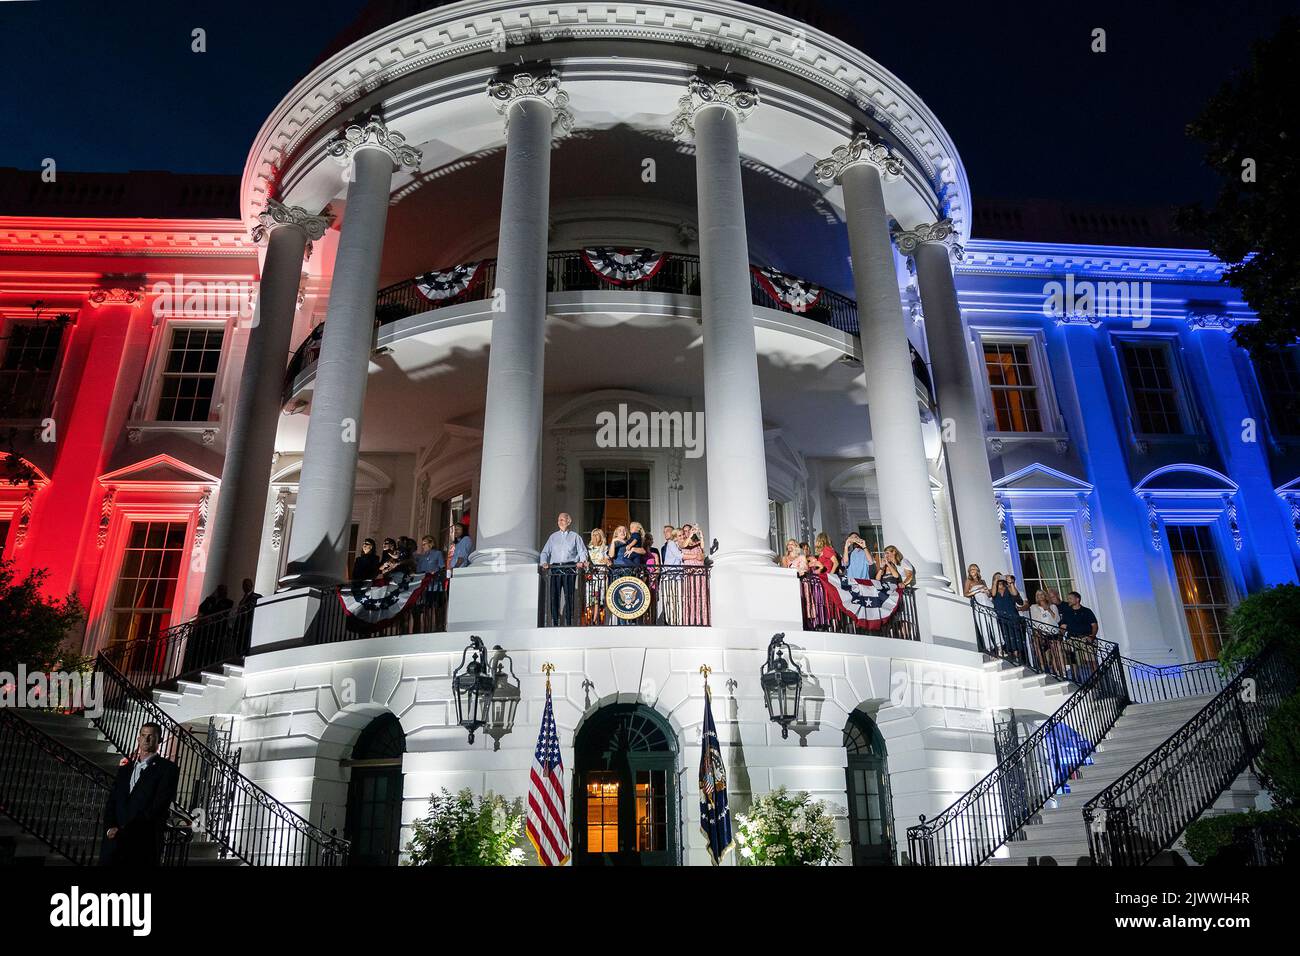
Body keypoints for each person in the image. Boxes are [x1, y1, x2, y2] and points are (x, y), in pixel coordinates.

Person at [101, 722, 180, 867]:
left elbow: (158, 805)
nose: (147, 739)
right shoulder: (126, 768)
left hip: (142, 842)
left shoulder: (168, 769)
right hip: (114, 843)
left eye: (151, 736)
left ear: (160, 740)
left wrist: (126, 831)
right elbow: (112, 801)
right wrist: (109, 827)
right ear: (138, 739)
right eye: (143, 735)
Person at [540, 512, 589, 626]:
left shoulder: (575, 536)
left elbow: (582, 551)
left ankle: (569, 622)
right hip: (556, 568)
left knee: (569, 595)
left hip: (569, 568)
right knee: (554, 595)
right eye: (558, 520)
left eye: (562, 519)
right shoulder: (553, 537)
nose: (559, 522)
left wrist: (582, 561)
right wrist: (544, 563)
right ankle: (554, 622)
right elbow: (545, 552)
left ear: (569, 521)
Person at [1060, 591, 1100, 680]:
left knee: (1091, 660)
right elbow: (1062, 627)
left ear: (1077, 599)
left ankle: (1097, 678)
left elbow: (1094, 625)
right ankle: (1073, 674)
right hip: (1072, 639)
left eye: (1070, 598)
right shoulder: (1067, 612)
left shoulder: (1086, 611)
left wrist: (1092, 636)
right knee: (1062, 649)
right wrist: (1060, 634)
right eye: (1068, 599)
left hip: (1085, 638)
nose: (1068, 600)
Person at [415, 535, 447, 632]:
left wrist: (435, 574)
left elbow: (442, 568)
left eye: (425, 544)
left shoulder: (437, 553)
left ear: (431, 544)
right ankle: (427, 628)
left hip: (437, 586)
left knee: (438, 608)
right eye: (422, 544)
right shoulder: (421, 557)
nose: (423, 546)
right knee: (426, 609)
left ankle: (439, 626)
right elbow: (419, 571)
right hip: (425, 587)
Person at [1029, 589, 1065, 675]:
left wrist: (1048, 609)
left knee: (1056, 652)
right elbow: (1034, 621)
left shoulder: (1053, 606)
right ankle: (1043, 669)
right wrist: (1038, 631)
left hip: (1053, 632)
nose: (1040, 596)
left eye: (1042, 594)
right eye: (1038, 595)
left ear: (1045, 596)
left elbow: (1057, 619)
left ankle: (1061, 671)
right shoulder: (1033, 607)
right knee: (1040, 649)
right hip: (1041, 632)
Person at [964, 564, 997, 654]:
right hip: (979, 605)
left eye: (974, 568)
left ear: (977, 570)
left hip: (988, 603)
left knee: (994, 625)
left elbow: (989, 595)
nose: (972, 570)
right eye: (970, 569)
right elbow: (966, 594)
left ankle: (999, 647)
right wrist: (978, 590)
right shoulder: (968, 581)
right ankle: (990, 649)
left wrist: (986, 590)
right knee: (984, 626)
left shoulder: (982, 581)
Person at [992, 579, 1025, 664]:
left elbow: (1019, 600)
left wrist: (1011, 583)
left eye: (1000, 577)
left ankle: (1018, 659)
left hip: (1012, 616)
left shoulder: (1009, 588)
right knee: (1006, 638)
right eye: (996, 577)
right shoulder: (993, 591)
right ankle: (1011, 659)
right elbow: (990, 595)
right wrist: (994, 582)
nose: (998, 578)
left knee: (1016, 638)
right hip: (1001, 618)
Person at [235, 578, 261, 655]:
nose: (245, 586)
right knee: (239, 645)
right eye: (244, 585)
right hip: (240, 625)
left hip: (249, 625)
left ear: (252, 585)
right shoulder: (242, 599)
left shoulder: (257, 596)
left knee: (246, 643)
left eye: (247, 584)